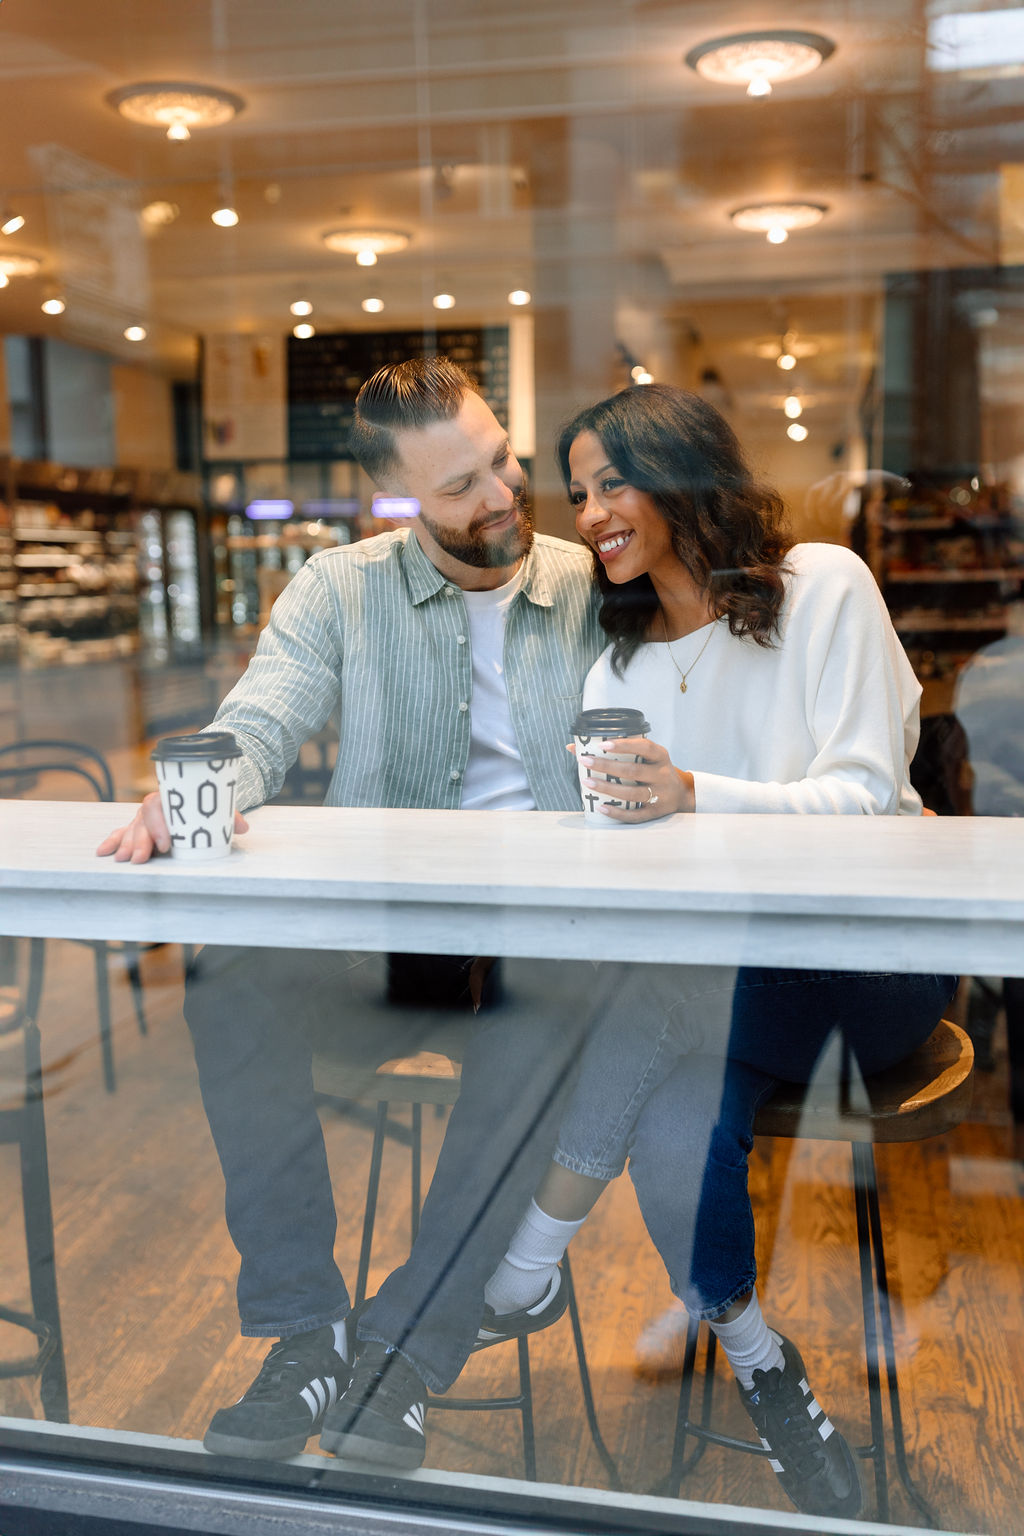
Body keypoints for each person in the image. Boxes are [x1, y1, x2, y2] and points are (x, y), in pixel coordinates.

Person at [97, 356, 609, 1470]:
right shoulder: (339, 588)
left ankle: (402, 1347)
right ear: (394, 499)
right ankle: (304, 1329)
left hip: (533, 951)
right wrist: (190, 792)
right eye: (456, 487)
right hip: (386, 946)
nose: (496, 496)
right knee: (229, 970)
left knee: (554, 1000)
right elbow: (261, 720)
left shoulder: (585, 583)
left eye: (499, 461)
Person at [476, 383, 956, 1519]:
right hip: (716, 991)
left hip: (868, 969)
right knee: (672, 1108)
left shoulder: (823, 589)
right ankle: (761, 1364)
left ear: (683, 474)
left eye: (613, 482)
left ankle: (524, 1263)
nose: (589, 512)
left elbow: (866, 799)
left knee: (651, 1011)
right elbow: (635, 867)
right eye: (579, 489)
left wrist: (693, 797)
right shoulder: (619, 672)